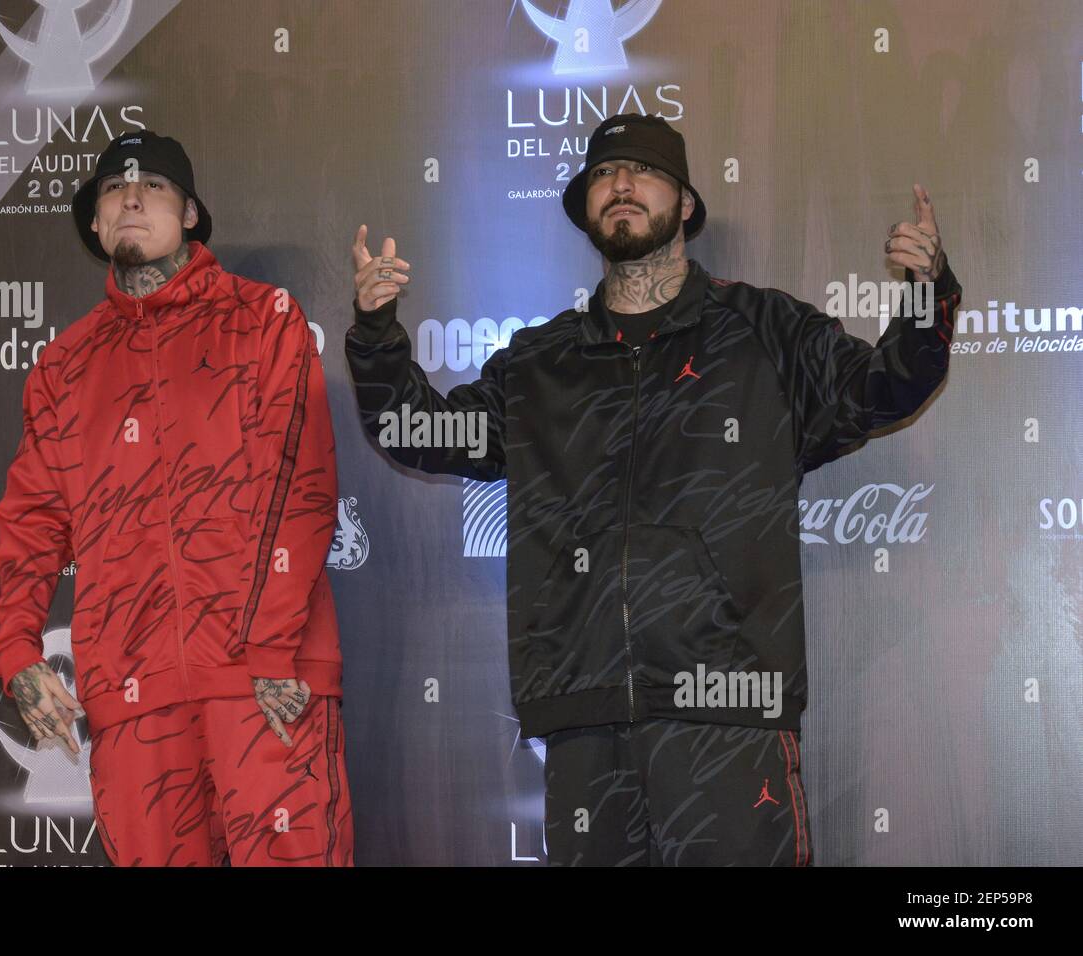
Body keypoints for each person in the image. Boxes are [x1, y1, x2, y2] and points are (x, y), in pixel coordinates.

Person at [344, 113, 961, 866]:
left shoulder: (766, 332)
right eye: (605, 173)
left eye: (643, 171)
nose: (622, 185)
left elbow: (885, 388)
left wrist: (926, 296)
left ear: (687, 204)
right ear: (586, 208)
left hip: (730, 713)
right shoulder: (541, 362)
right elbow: (421, 433)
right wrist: (375, 336)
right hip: (583, 718)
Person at [0, 130, 353, 866]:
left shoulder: (264, 319)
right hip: (133, 692)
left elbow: (301, 487)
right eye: (113, 191)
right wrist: (16, 649)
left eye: (151, 185)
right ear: (94, 223)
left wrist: (271, 646)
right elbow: (31, 521)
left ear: (190, 213)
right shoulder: (63, 366)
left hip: (263, 679)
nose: (129, 198)